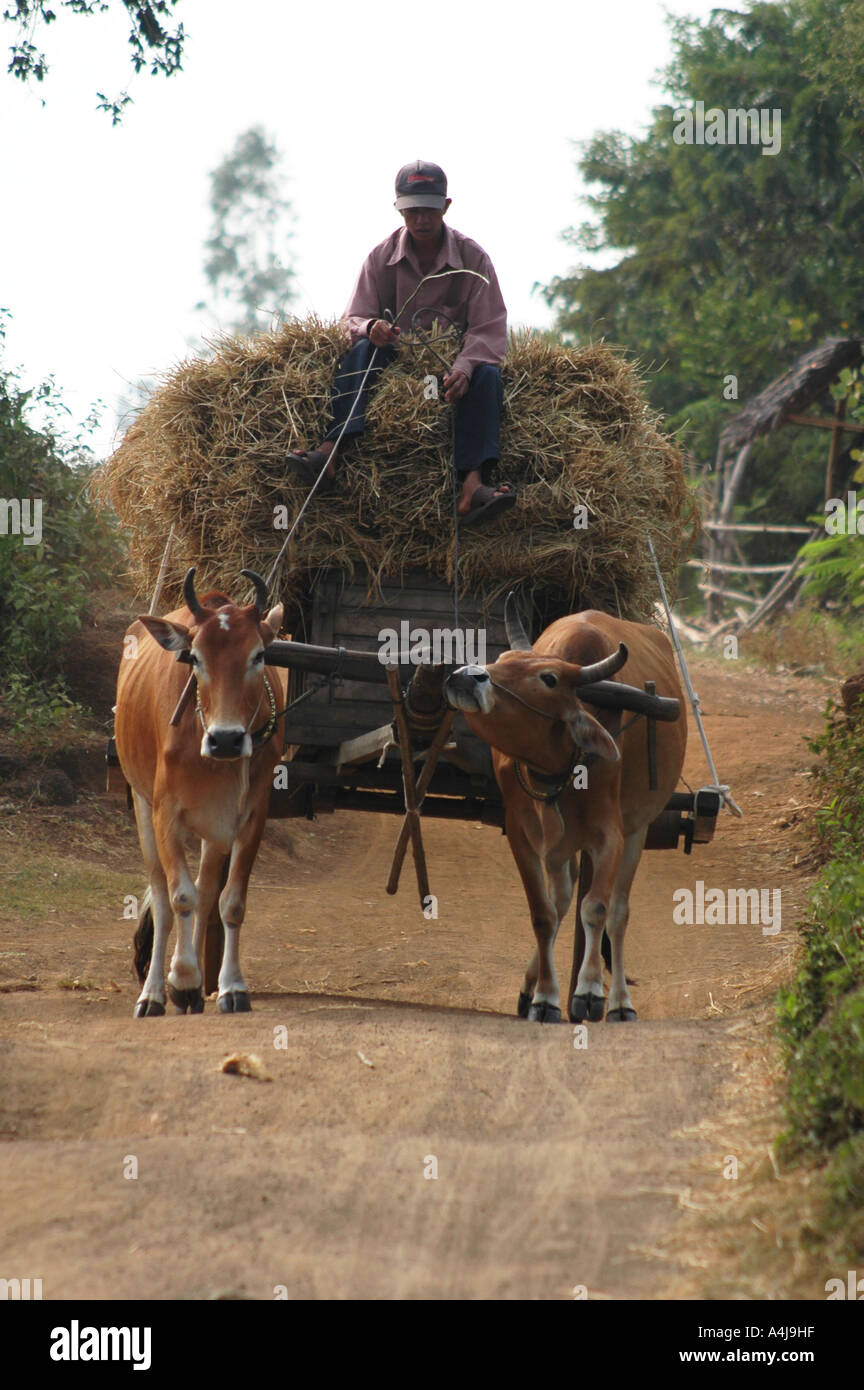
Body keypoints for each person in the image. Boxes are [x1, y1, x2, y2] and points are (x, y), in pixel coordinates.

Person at [287, 160, 516, 528]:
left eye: (428, 210)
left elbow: (488, 329)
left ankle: (473, 485)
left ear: (446, 206)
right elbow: (351, 320)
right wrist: (372, 327)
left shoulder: (474, 259)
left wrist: (465, 366)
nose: (420, 220)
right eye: (411, 211)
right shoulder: (381, 257)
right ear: (398, 209)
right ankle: (329, 453)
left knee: (487, 375)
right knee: (363, 350)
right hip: (393, 366)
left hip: (449, 371)